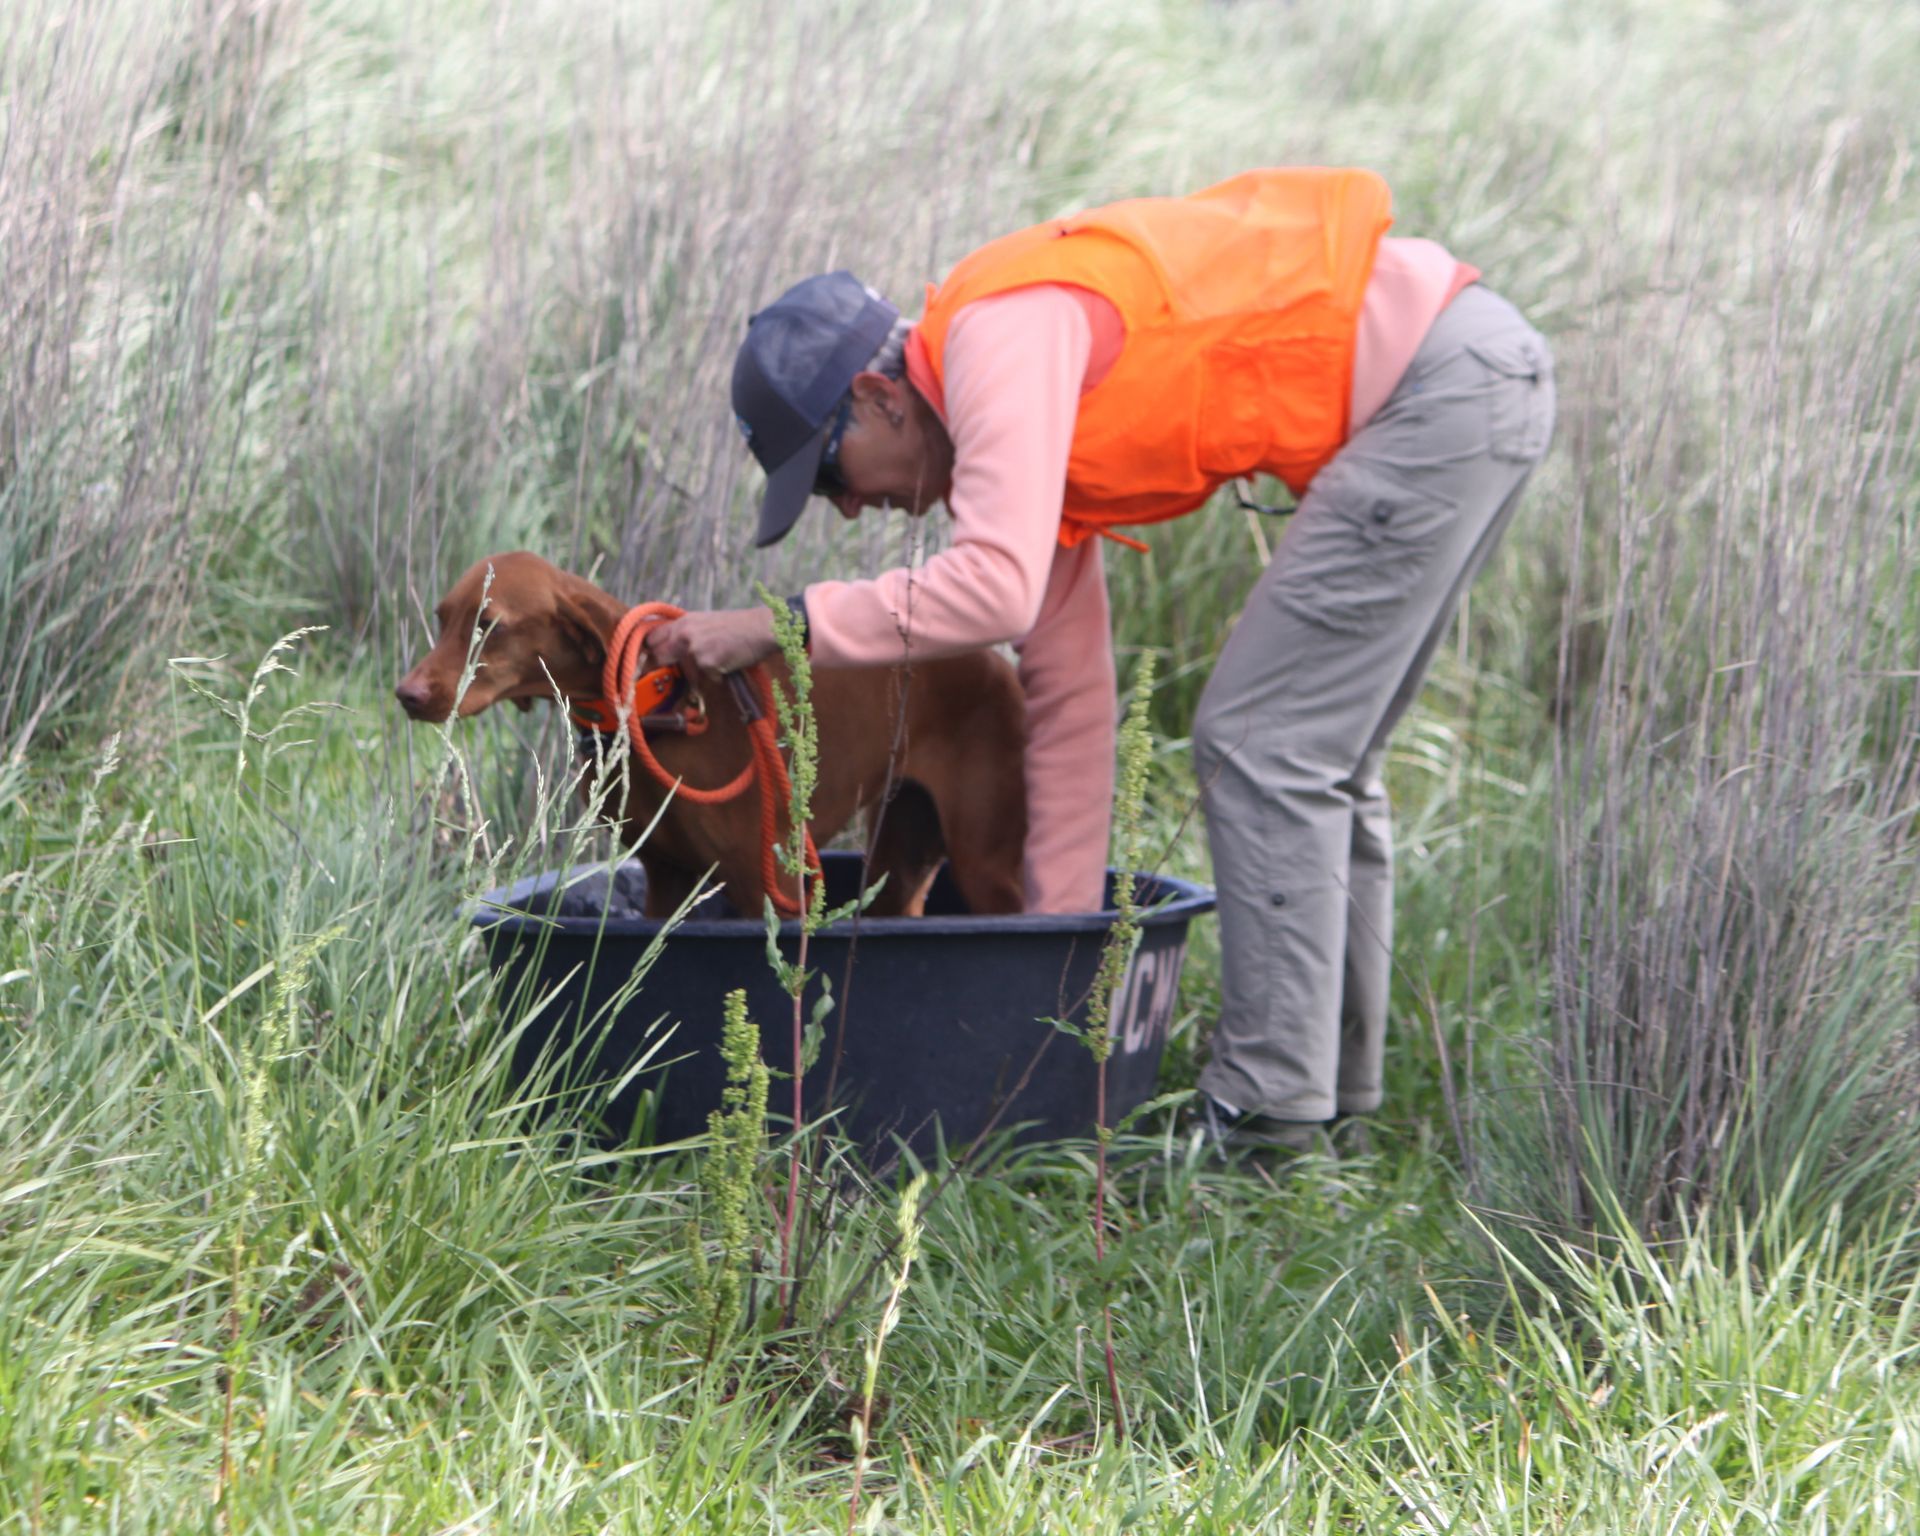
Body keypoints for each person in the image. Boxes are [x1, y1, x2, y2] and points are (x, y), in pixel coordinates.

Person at [646, 168, 1555, 1157]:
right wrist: (1057, 990)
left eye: (829, 479)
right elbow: (1070, 700)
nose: (853, 510)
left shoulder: (1001, 336)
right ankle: (1335, 1109)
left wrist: (777, 626)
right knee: (1314, 759)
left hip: (1438, 390)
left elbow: (993, 591)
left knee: (1263, 744)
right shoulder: (1012, 424)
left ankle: (1266, 1128)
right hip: (1466, 377)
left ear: (878, 398)